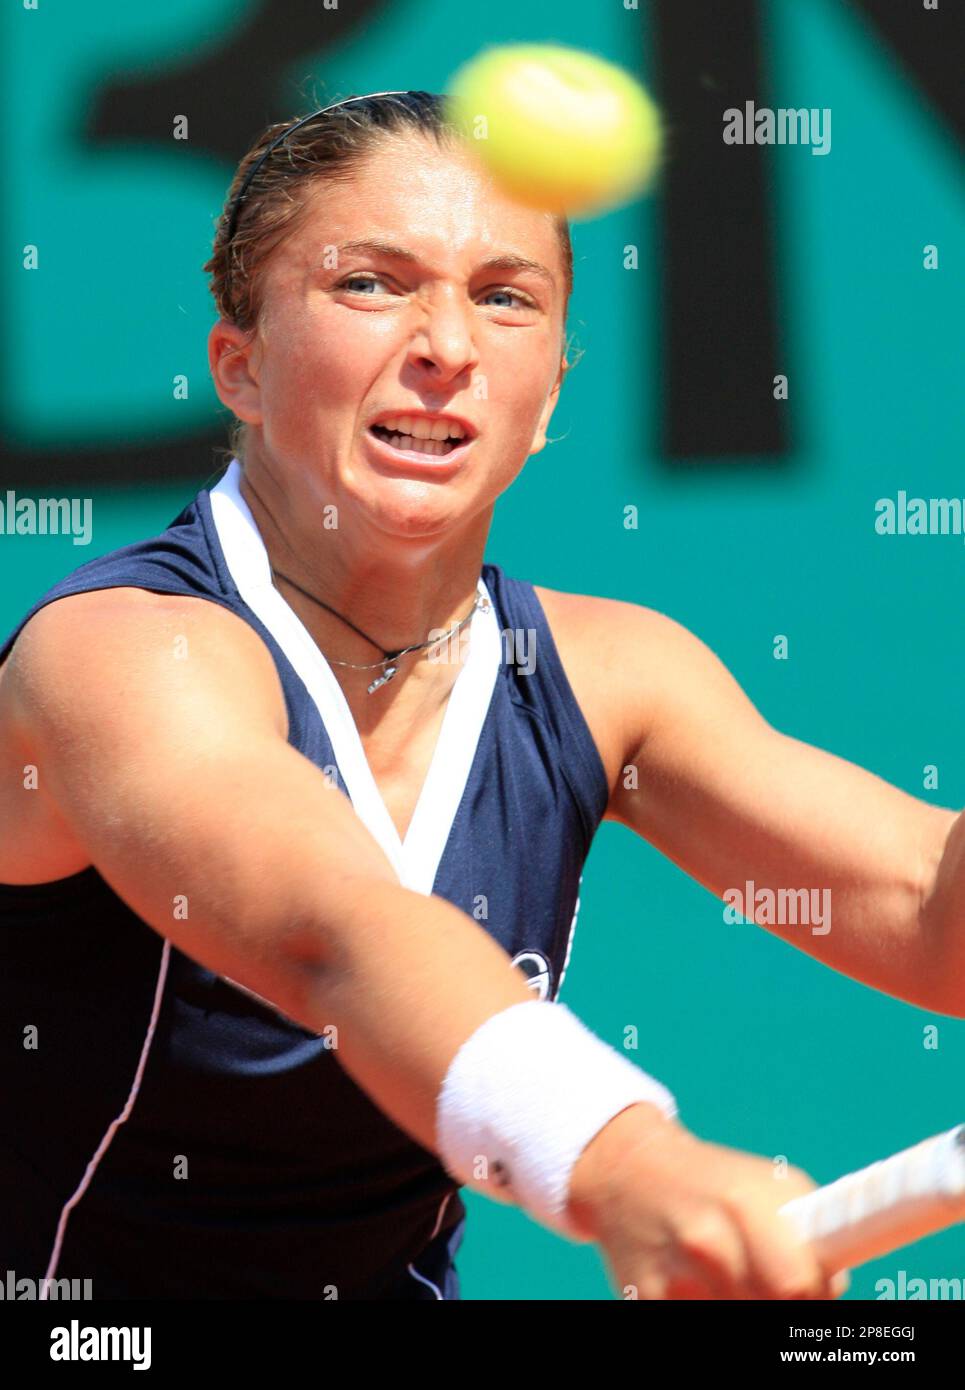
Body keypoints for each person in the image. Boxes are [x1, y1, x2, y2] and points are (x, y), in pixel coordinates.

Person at [1, 91, 960, 1302]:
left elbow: (930, 909)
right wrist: (626, 1162)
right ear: (238, 365)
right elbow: (330, 930)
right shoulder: (119, 654)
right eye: (371, 284)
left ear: (549, 393)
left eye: (503, 297)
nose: (446, 345)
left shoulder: (616, 674)